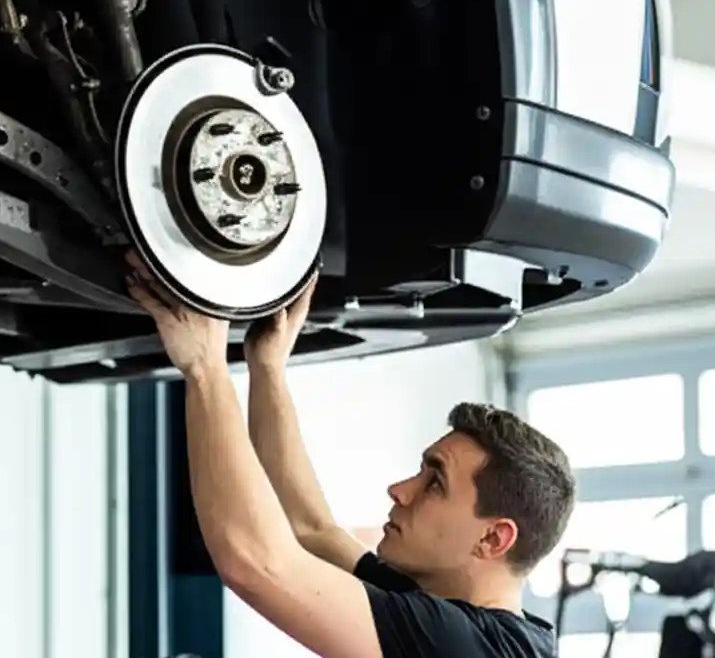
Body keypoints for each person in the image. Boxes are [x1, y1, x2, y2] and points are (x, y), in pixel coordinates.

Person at [125, 251, 576, 657]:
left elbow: (256, 562)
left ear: (494, 539)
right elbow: (311, 531)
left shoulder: (461, 647)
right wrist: (267, 368)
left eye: (435, 483)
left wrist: (205, 367)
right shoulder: (487, 628)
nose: (399, 490)